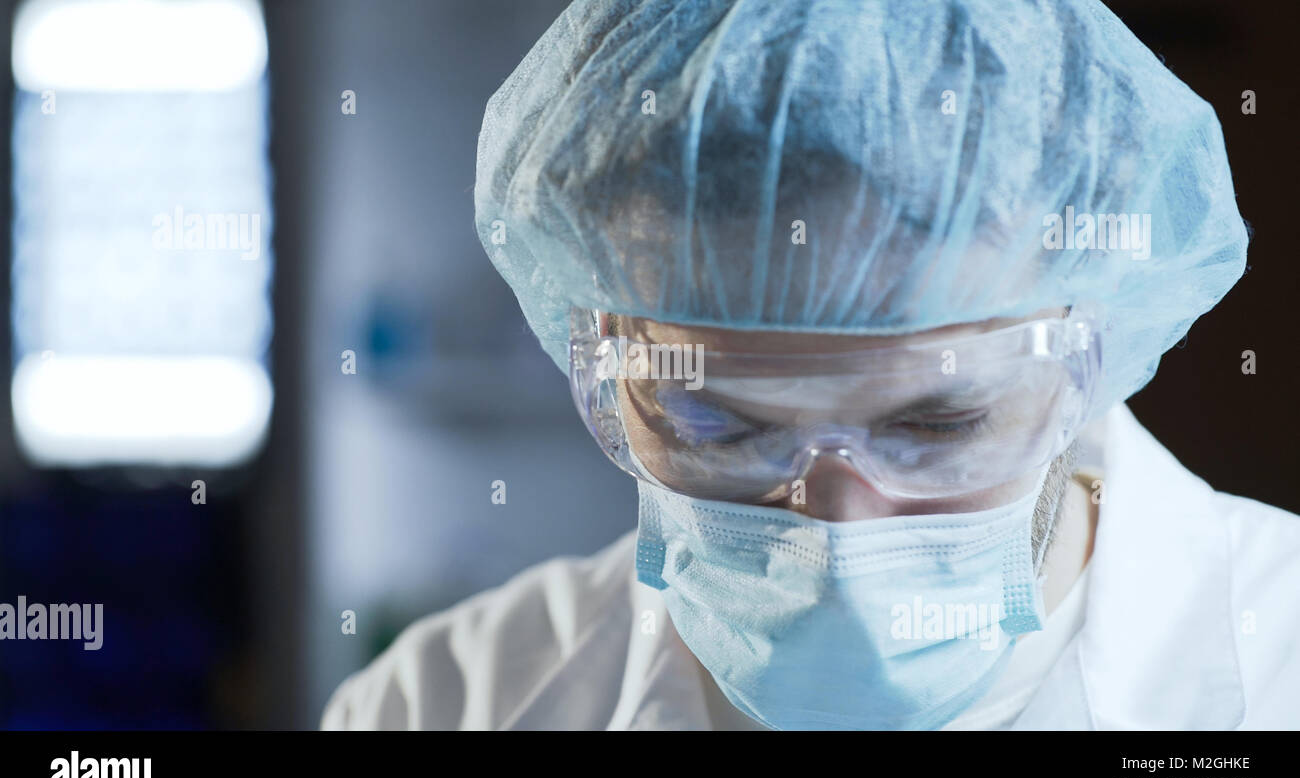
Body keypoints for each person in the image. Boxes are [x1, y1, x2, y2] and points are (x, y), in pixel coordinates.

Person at [321, 0, 1300, 730]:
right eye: (717, 424)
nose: (835, 529)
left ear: (1086, 344)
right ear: (597, 355)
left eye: (938, 423)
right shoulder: (447, 702)